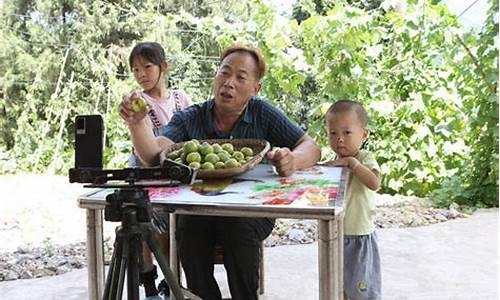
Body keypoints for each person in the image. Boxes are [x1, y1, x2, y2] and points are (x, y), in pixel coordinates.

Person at [119, 44, 321, 300]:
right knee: (188, 229)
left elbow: (311, 147)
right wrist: (138, 125)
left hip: (251, 214)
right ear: (215, 76)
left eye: (240, 77)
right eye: (224, 73)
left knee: (237, 227)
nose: (229, 82)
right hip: (199, 213)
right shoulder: (191, 117)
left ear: (255, 89)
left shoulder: (262, 113)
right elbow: (155, 155)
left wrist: (293, 159)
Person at [125, 42, 192, 300]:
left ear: (164, 67)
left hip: (175, 172)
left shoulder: (181, 99)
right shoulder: (139, 101)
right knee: (147, 227)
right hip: (146, 172)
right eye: (135, 70)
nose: (141, 74)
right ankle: (149, 283)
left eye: (147, 66)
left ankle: (171, 281)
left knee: (169, 230)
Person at [322, 100, 382, 300]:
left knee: (360, 290)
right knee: (340, 287)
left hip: (358, 236)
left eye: (347, 133)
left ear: (363, 135)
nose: (339, 139)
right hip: (336, 235)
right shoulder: (334, 162)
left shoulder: (365, 158)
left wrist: (352, 164)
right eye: (333, 133)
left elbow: (374, 182)